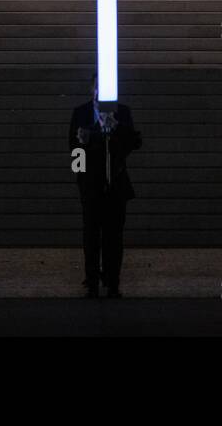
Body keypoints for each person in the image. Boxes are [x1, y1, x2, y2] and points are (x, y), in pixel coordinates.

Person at [68, 75, 141, 298]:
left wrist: (116, 128)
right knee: (91, 235)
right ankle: (92, 280)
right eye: (98, 88)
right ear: (92, 89)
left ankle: (112, 281)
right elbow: (73, 148)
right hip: (91, 184)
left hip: (115, 183)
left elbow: (135, 142)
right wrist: (81, 176)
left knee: (113, 236)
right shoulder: (80, 112)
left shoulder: (122, 112)